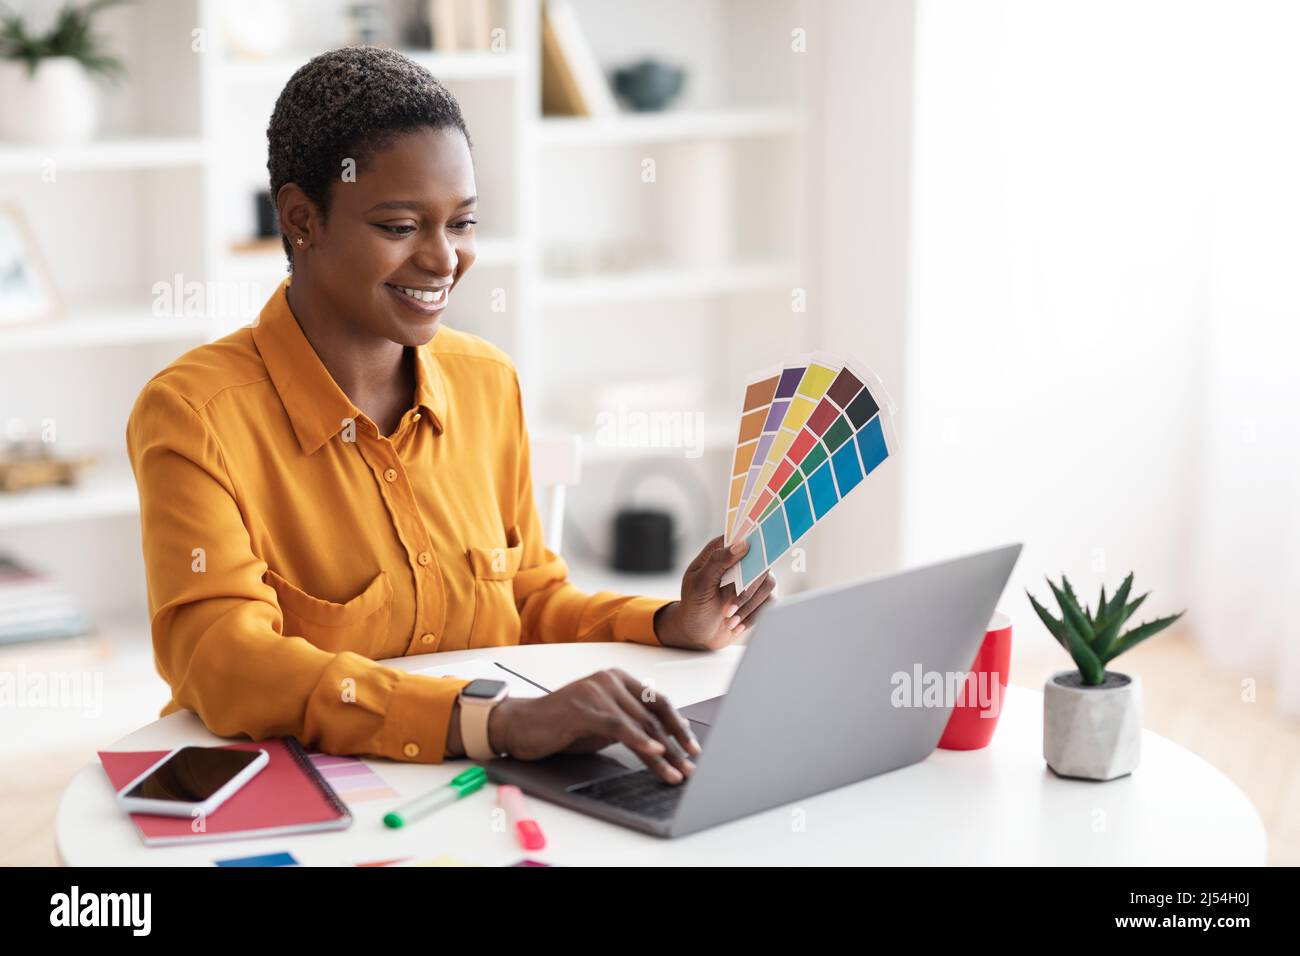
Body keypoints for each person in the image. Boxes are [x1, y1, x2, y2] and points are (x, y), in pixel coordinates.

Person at [126, 47, 776, 785]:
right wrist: (491, 721)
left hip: (484, 788)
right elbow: (226, 661)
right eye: (400, 226)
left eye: (462, 223)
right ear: (302, 219)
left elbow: (529, 599)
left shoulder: (487, 382)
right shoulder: (193, 415)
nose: (445, 260)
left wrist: (667, 624)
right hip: (301, 792)